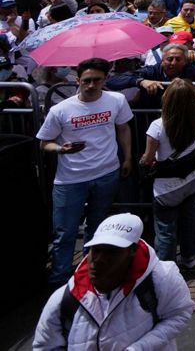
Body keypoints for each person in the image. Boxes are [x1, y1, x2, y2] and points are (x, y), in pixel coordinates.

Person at [35, 58, 134, 286]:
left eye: (97, 80)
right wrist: (61, 149)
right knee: (65, 233)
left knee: (97, 229)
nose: (91, 85)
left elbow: (123, 128)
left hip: (107, 174)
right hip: (71, 180)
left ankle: (89, 275)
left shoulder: (116, 100)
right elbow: (44, 142)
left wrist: (127, 157)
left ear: (105, 80)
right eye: (86, 81)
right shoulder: (60, 110)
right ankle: (60, 282)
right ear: (78, 81)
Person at [32, 213, 194, 350]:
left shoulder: (163, 278)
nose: (99, 260)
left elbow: (180, 314)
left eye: (111, 252)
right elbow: (44, 346)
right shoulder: (63, 299)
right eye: (96, 250)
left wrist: (140, 348)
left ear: (133, 251)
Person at [139, 79, 195, 269]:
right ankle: (190, 256)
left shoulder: (157, 126)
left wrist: (142, 163)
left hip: (166, 185)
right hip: (192, 177)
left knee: (165, 227)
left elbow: (149, 158)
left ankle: (167, 267)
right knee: (189, 219)